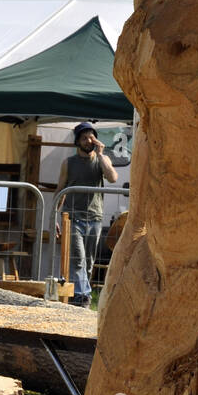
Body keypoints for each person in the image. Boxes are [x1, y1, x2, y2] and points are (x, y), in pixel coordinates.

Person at [57, 123, 118, 306]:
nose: (89, 141)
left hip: (95, 218)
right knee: (77, 258)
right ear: (77, 142)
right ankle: (81, 296)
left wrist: (100, 154)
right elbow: (61, 190)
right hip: (73, 216)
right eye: (84, 138)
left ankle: (82, 295)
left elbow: (113, 177)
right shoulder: (68, 163)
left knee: (89, 261)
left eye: (92, 137)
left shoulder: (102, 160)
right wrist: (54, 217)